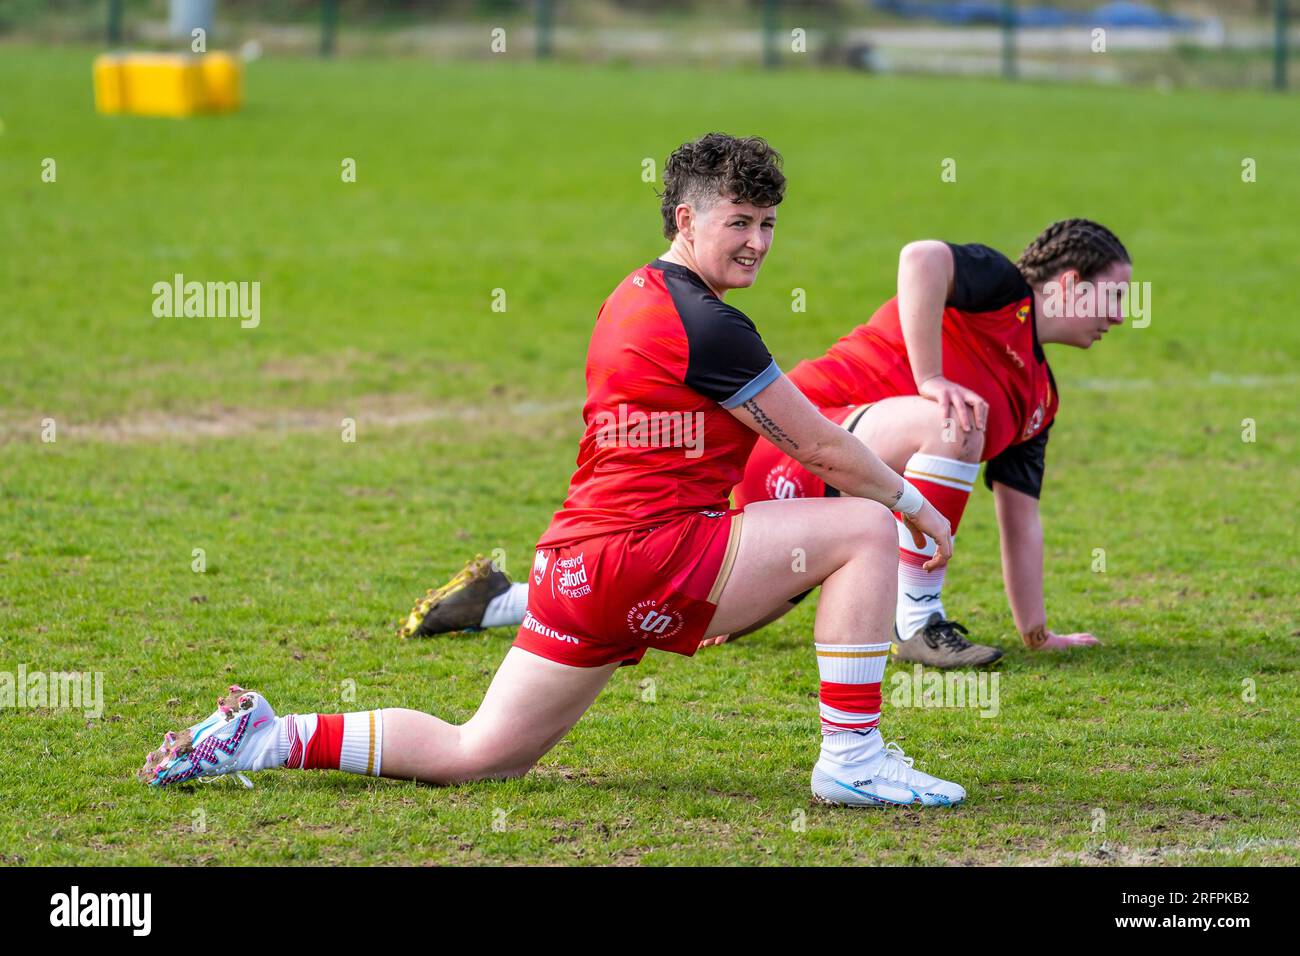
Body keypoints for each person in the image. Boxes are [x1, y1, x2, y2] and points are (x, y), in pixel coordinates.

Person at [141, 133, 963, 808]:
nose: (758, 242)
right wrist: (912, 506)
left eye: (770, 224)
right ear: (687, 217)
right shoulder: (711, 324)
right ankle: (852, 760)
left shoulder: (632, 292)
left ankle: (273, 736)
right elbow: (817, 445)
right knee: (863, 527)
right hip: (645, 553)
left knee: (480, 754)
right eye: (740, 222)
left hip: (576, 562)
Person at [404, 221, 1132, 670]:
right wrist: (934, 376)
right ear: (1067, 285)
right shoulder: (999, 287)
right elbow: (919, 257)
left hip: (836, 494)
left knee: (696, 616)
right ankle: (920, 621)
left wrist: (1038, 633)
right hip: (801, 444)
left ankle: (506, 603)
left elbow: (1020, 518)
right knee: (953, 419)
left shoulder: (1040, 398)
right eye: (1114, 295)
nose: (1122, 315)